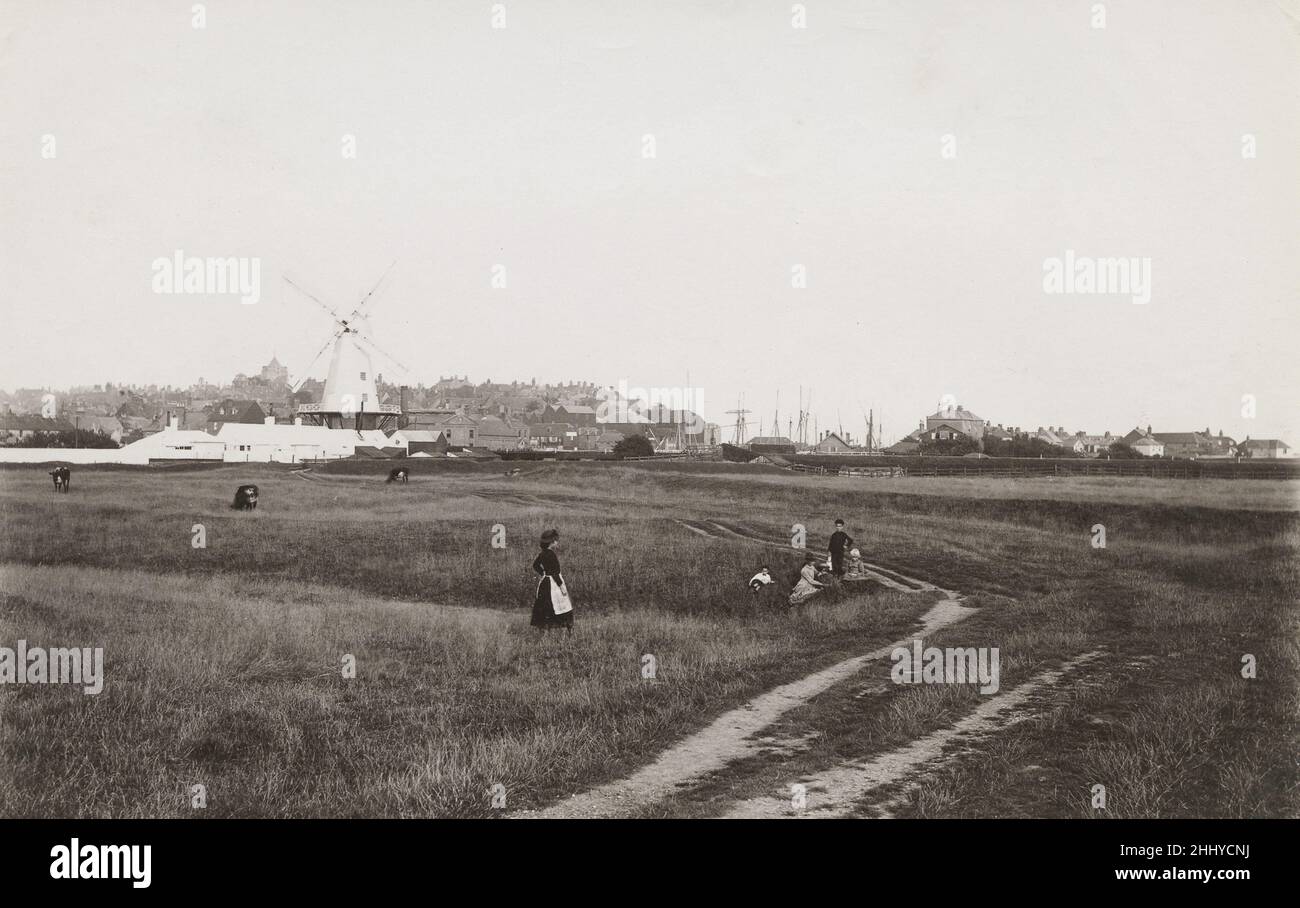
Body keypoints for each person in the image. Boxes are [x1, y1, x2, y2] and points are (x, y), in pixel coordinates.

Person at [531, 528, 573, 636]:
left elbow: (535, 565)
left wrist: (543, 573)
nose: (557, 543)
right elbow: (555, 573)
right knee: (559, 604)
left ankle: (545, 630)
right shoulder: (551, 554)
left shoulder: (542, 553)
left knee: (545, 605)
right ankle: (566, 630)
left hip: (545, 582)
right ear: (551, 542)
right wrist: (561, 586)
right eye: (555, 541)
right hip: (553, 583)